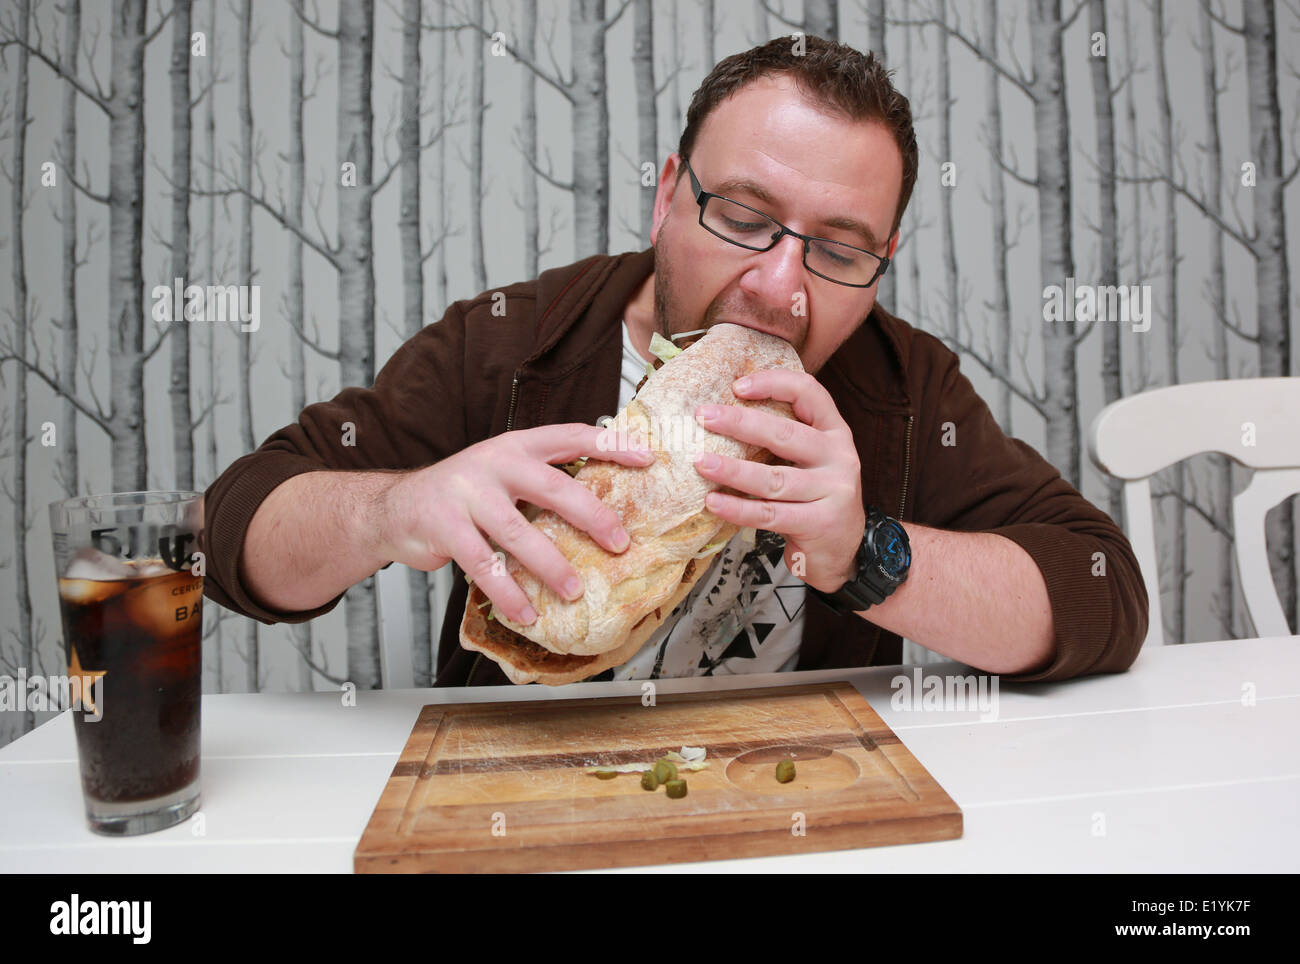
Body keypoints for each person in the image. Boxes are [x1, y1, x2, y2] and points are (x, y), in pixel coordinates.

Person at [202, 36, 1148, 688]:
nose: (782, 289)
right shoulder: (512, 343)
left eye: (841, 249)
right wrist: (390, 509)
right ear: (667, 198)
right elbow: (229, 532)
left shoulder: (902, 387)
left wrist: (867, 553)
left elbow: (1103, 595)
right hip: (521, 806)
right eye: (741, 217)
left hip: (787, 818)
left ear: (881, 263)